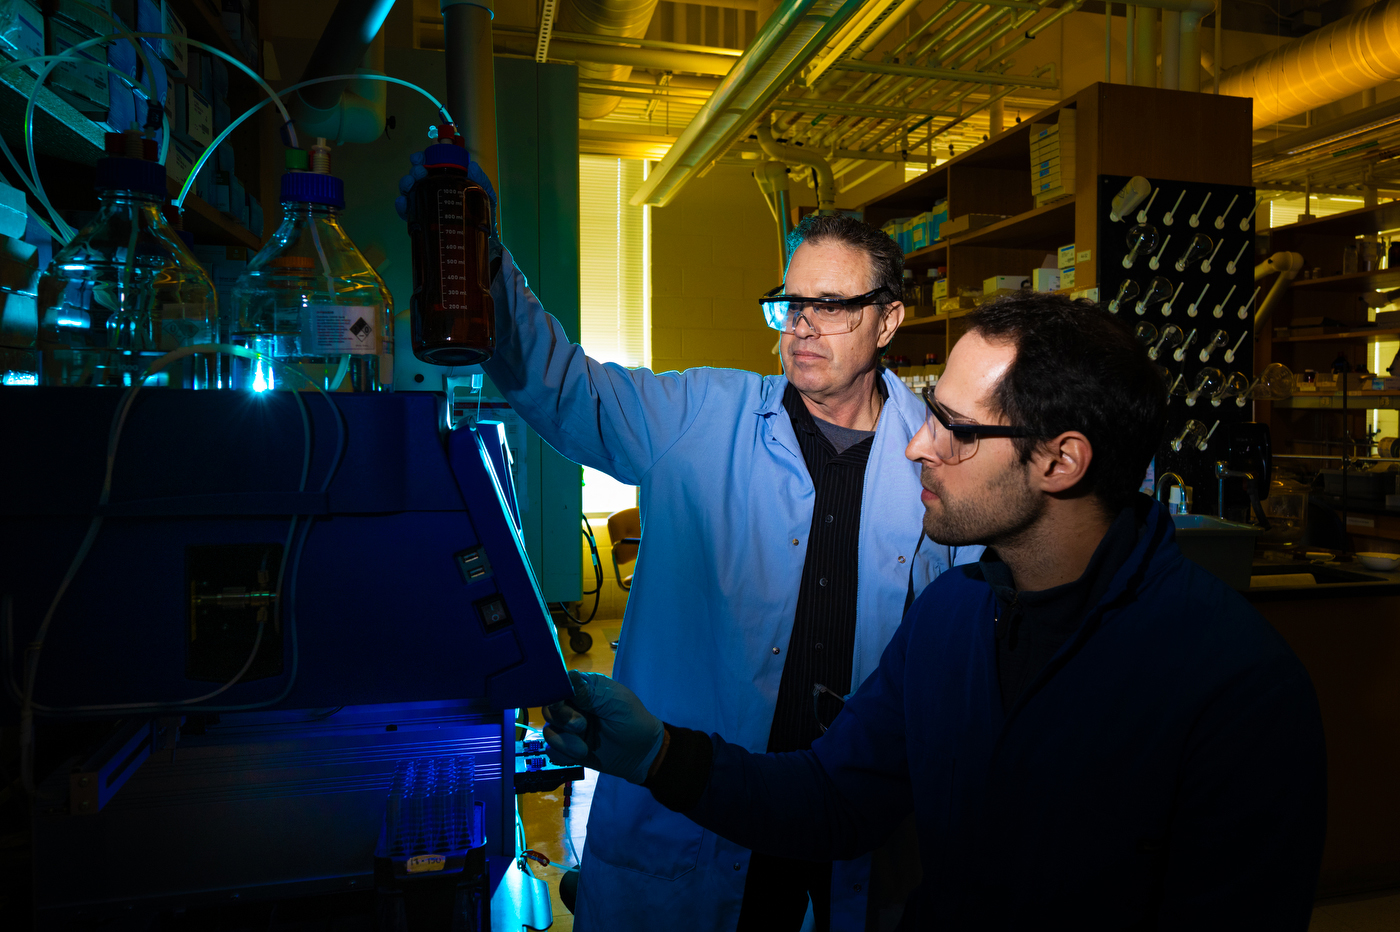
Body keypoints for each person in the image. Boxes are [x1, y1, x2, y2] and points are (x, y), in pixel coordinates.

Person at [541, 292, 1329, 930]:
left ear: (1060, 460)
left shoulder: (1236, 688)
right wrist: (655, 754)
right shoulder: (954, 616)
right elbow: (832, 800)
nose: (917, 446)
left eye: (952, 428)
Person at [398, 156, 978, 932]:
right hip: (697, 812)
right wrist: (478, 253)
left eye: (831, 306)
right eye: (791, 304)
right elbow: (564, 387)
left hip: (852, 827)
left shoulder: (939, 455)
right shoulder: (700, 416)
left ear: (890, 319)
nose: (801, 327)